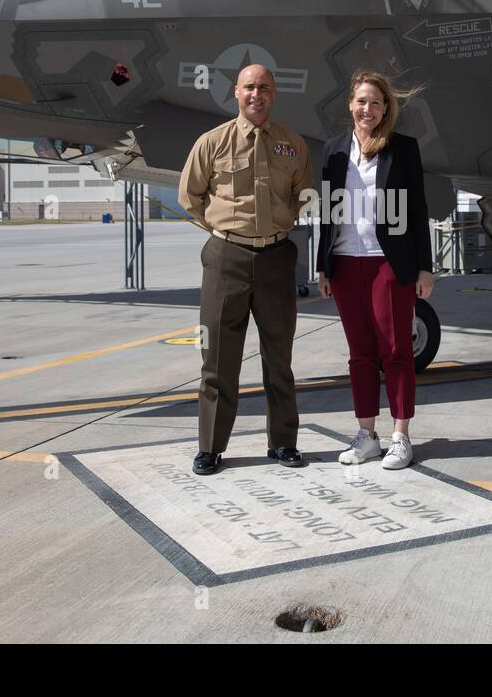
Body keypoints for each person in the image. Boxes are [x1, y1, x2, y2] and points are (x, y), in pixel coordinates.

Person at [178, 64, 315, 476]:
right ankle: (211, 448)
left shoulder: (292, 143)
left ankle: (284, 443)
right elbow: (190, 196)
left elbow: (305, 193)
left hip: (276, 259)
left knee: (279, 358)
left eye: (265, 88)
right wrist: (224, 229)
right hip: (226, 260)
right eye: (250, 87)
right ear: (236, 92)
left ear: (274, 95)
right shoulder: (212, 142)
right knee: (218, 360)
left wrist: (278, 223)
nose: (257, 94)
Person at [316, 69, 433, 470]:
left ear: (386, 109)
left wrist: (424, 267)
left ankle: (401, 437)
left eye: (376, 102)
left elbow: (417, 211)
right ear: (351, 105)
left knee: (397, 350)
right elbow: (328, 214)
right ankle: (366, 435)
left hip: (389, 262)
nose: (368, 109)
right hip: (346, 262)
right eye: (362, 101)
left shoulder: (402, 149)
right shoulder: (333, 151)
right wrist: (323, 265)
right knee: (360, 354)